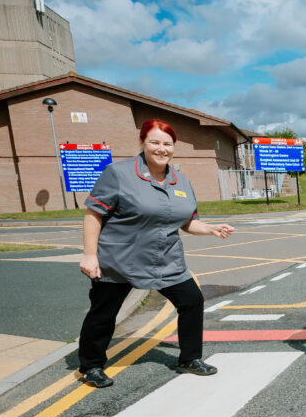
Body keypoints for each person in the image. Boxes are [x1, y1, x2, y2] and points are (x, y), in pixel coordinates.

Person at [77, 119, 234, 388]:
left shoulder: (180, 180)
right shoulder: (118, 173)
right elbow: (94, 215)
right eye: (155, 142)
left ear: (174, 147)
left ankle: (189, 358)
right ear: (142, 143)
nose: (162, 149)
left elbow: (186, 221)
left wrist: (209, 228)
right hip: (119, 261)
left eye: (167, 144)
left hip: (165, 260)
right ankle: (91, 366)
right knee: (103, 314)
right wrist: (90, 255)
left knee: (192, 301)